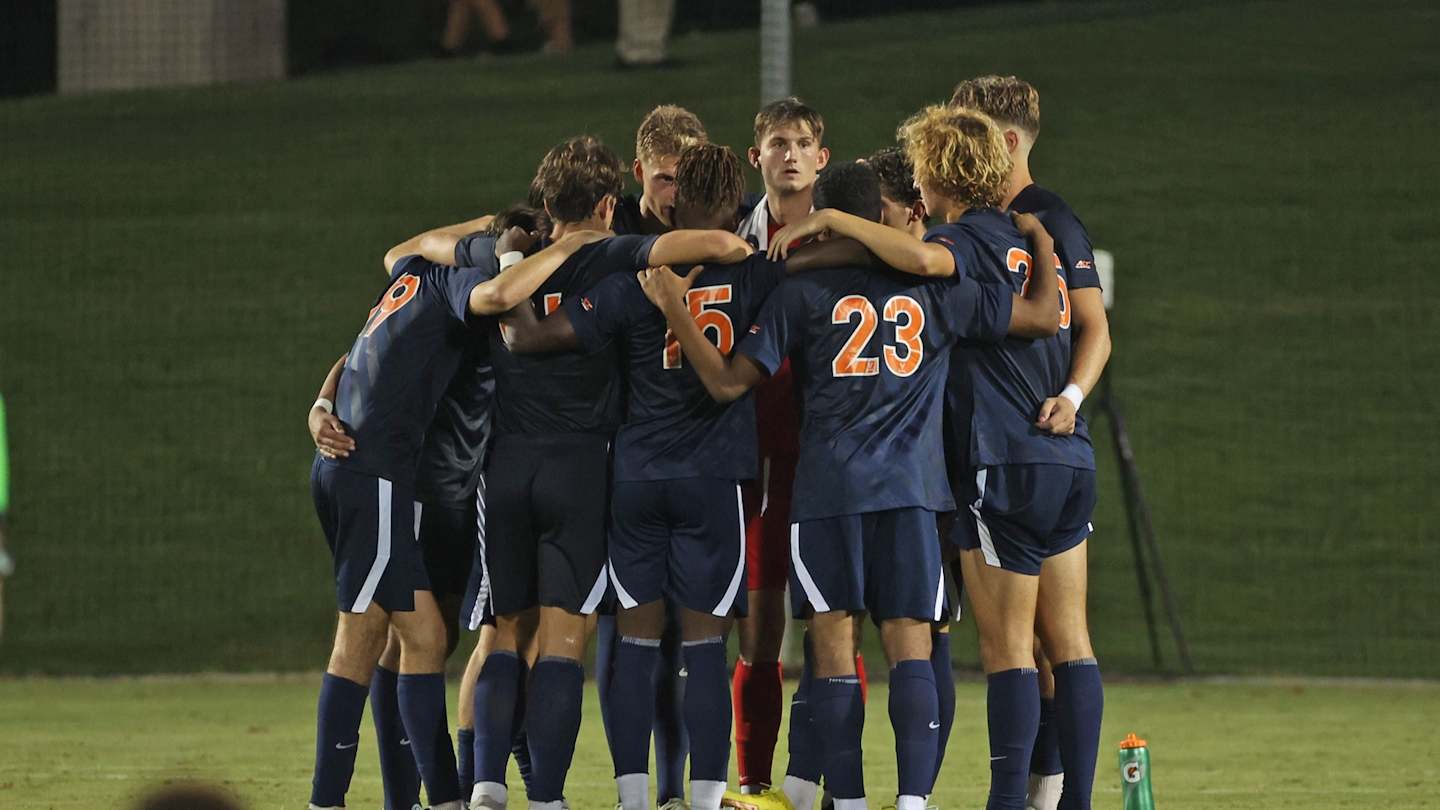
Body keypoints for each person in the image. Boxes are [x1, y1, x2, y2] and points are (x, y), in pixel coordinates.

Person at [664, 150, 1062, 810]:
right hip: (911, 493)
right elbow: (1043, 316)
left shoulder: (797, 291)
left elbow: (732, 381)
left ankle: (843, 801)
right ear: (881, 214)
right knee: (910, 649)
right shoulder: (937, 287)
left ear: (824, 217)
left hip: (826, 496)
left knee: (832, 651)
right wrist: (1043, 244)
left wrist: (677, 310)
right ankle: (911, 802)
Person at [770, 103, 1100, 810]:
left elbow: (917, 258)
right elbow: (1051, 316)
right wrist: (1042, 249)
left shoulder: (941, 250)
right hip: (1042, 456)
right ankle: (1053, 797)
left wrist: (824, 229)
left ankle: (980, 799)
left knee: (984, 647)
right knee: (1051, 643)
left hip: (971, 459)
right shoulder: (1025, 233)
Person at [467, 135, 753, 810]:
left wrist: (510, 244)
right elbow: (723, 252)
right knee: (583, 636)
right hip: (604, 469)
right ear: (606, 202)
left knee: (508, 633)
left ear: (543, 203)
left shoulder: (502, 262)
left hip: (516, 464)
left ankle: (488, 785)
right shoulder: (621, 258)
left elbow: (416, 262)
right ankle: (559, 797)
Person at [304, 214, 609, 810]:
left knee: (417, 640)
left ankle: (424, 799)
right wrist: (562, 244)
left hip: (428, 488)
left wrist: (321, 402)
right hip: (393, 480)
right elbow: (494, 292)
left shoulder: (413, 279)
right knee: (379, 637)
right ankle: (367, 799)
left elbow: (368, 325)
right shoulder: (464, 291)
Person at [950, 74, 1111, 810]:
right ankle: (1057, 798)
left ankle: (1018, 797)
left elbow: (1092, 327)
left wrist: (1072, 398)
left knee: (1021, 648)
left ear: (1006, 142)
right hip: (1058, 461)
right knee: (1056, 643)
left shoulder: (1039, 217)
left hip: (1011, 452)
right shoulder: (1010, 223)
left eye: (969, 131)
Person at [730, 97, 839, 802]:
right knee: (759, 622)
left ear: (822, 159)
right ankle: (756, 783)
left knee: (833, 627)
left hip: (833, 457)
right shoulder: (731, 241)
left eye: (802, 142)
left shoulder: (851, 240)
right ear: (756, 156)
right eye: (777, 142)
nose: (790, 153)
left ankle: (832, 781)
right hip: (753, 455)